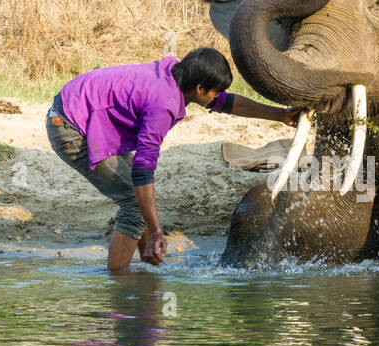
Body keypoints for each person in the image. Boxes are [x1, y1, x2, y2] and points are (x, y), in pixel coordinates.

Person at [47, 48, 302, 271]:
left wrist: (280, 115)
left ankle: (149, 267)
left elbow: (226, 103)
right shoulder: (163, 104)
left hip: (92, 116)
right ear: (200, 89)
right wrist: (157, 231)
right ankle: (120, 286)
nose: (217, 97)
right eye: (214, 92)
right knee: (134, 204)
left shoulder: (176, 74)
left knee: (138, 201)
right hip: (71, 125)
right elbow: (143, 170)